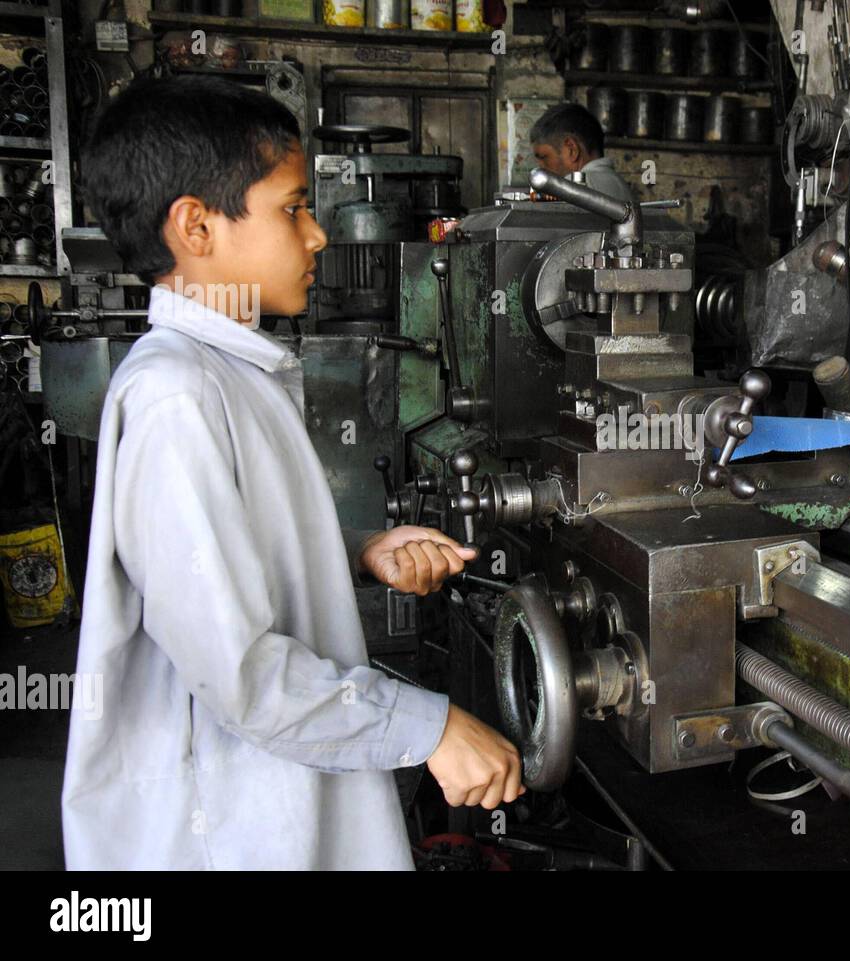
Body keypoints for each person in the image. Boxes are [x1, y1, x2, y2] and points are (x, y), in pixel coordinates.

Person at [61, 74, 523, 870]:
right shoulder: (177, 394)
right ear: (196, 227)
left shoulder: (231, 372)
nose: (316, 237)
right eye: (292, 208)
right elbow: (239, 672)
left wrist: (357, 546)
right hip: (227, 827)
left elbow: (227, 544)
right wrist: (431, 727)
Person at [529, 102, 635, 202]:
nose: (539, 168)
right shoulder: (620, 184)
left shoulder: (574, 186)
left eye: (544, 157)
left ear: (571, 149)